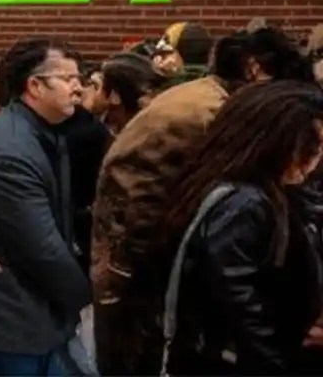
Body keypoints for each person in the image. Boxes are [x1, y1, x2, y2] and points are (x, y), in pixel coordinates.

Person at [92, 26, 313, 375]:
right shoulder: (215, 113)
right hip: (141, 269)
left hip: (135, 263)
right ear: (254, 69)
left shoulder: (202, 96)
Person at [0, 36, 89, 376]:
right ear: (35, 86)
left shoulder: (41, 132)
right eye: (68, 79)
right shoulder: (9, 150)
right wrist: (87, 298)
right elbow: (42, 248)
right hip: (15, 319)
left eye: (79, 79)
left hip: (36, 311)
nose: (78, 88)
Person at [157, 81, 323, 374]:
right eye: (310, 146)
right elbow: (238, 303)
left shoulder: (268, 193)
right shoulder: (244, 203)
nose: (315, 157)